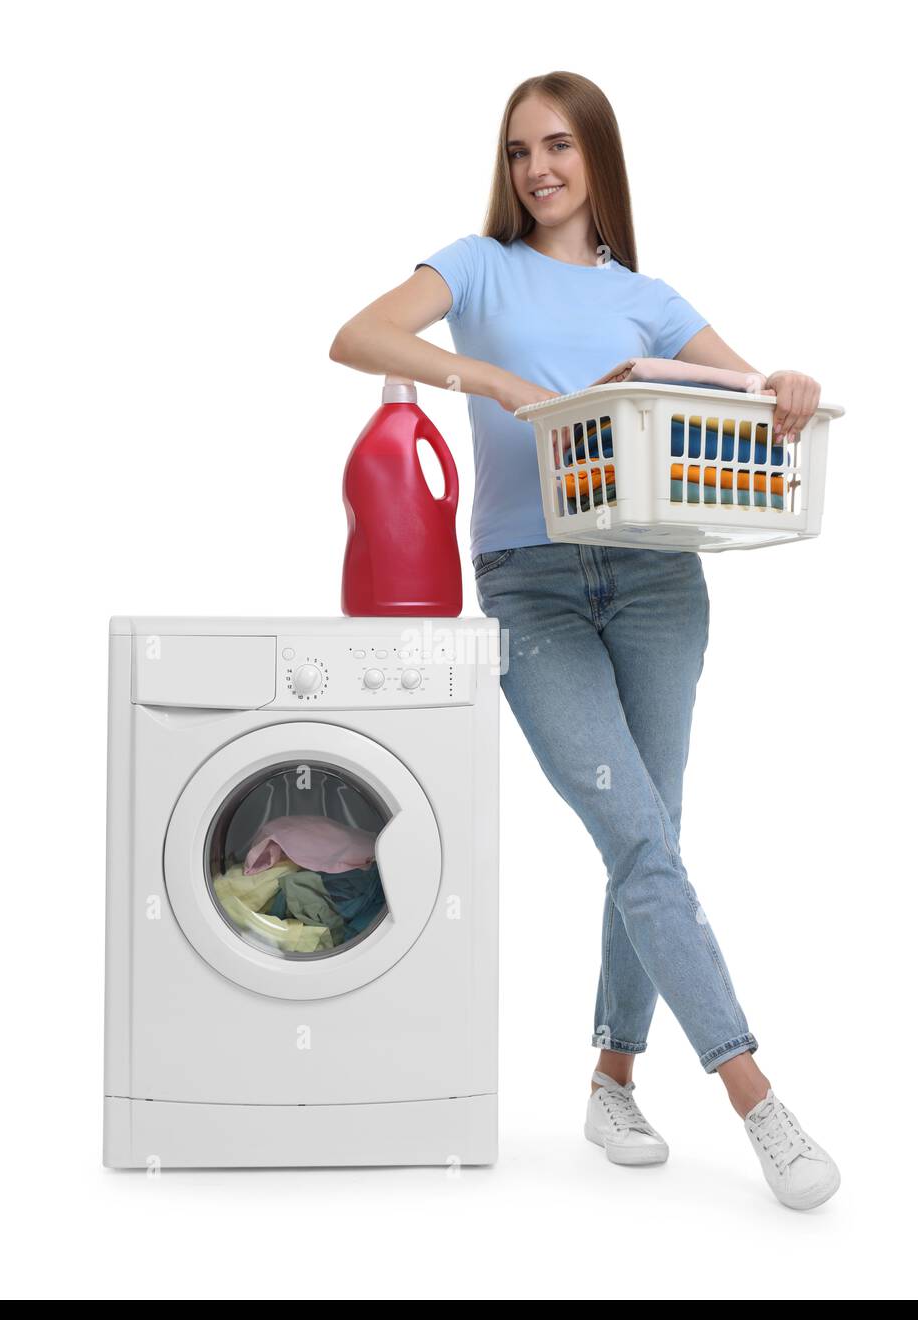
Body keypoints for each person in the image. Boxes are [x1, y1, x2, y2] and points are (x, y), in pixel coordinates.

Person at [329, 70, 839, 1211]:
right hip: (532, 586)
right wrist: (492, 379)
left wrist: (786, 382)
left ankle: (613, 1074)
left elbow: (753, 396)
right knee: (639, 836)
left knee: (647, 837)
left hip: (659, 583)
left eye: (557, 146)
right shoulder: (473, 265)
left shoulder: (648, 297)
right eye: (519, 152)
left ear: (597, 158)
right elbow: (356, 336)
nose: (537, 169)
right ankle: (756, 1097)